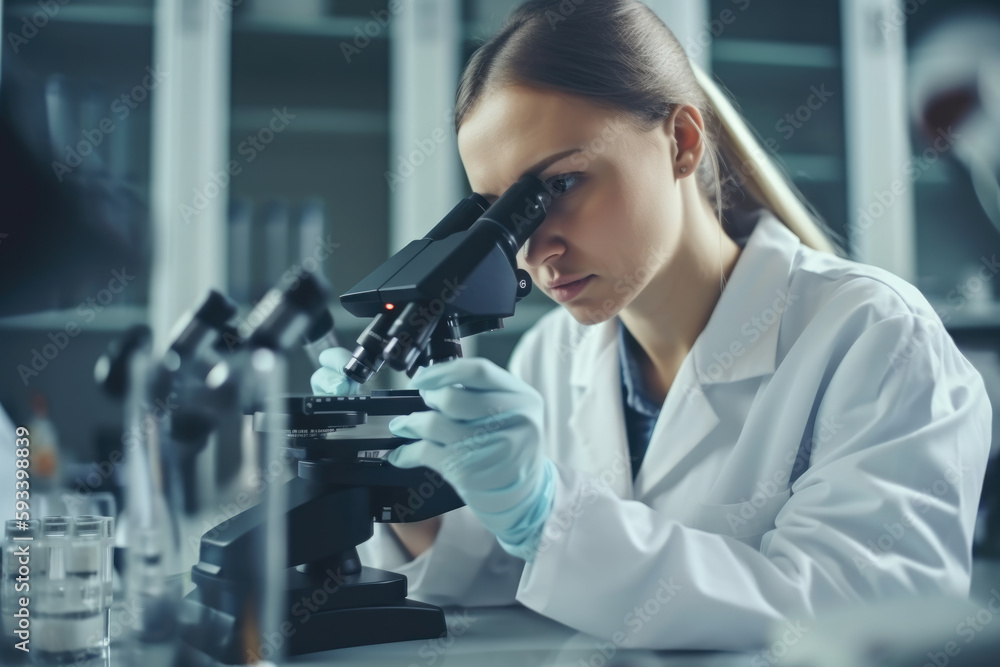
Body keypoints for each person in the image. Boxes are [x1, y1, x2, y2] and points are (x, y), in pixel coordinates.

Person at [311, 0, 992, 650]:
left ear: (683, 142)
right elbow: (523, 571)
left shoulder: (874, 336)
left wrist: (547, 513)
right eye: (504, 212)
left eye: (561, 185)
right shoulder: (555, 352)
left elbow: (860, 615)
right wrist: (408, 484)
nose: (532, 248)